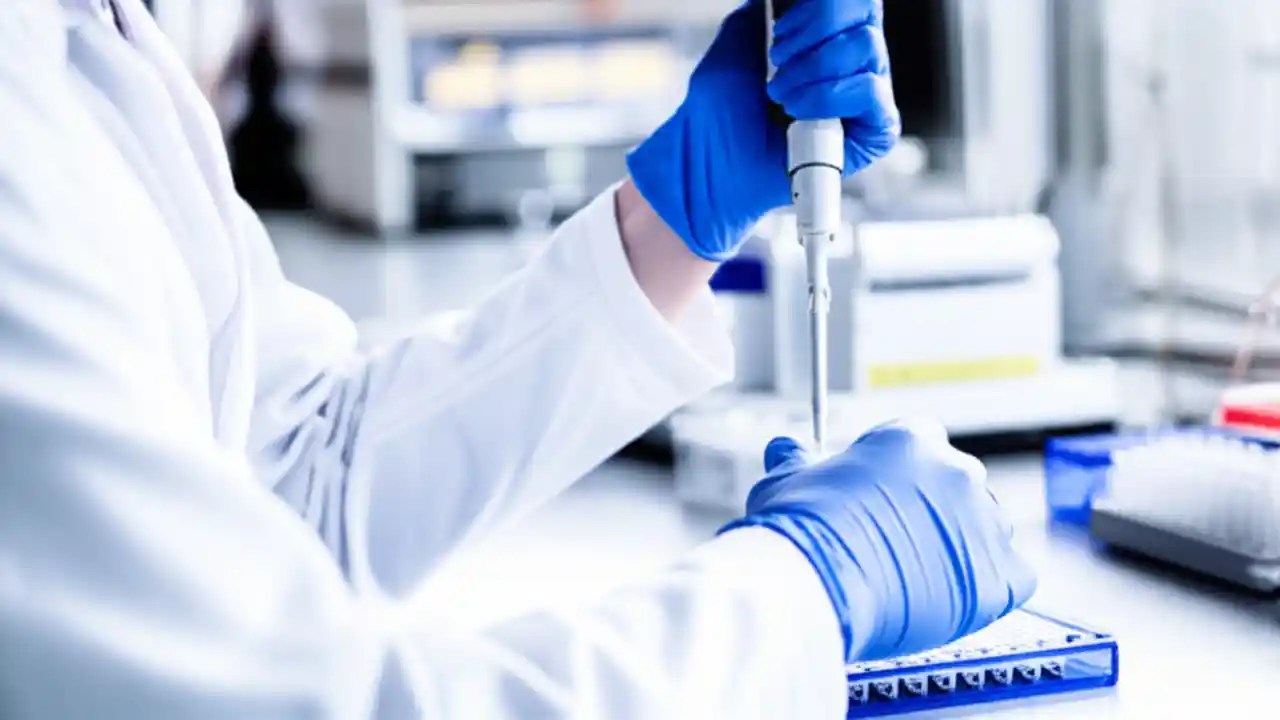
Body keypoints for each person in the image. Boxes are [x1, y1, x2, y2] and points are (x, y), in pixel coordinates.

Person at [0, 0, 1034, 717]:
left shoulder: (87, 43)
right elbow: (292, 703)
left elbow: (292, 485)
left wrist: (673, 222)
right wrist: (802, 590)